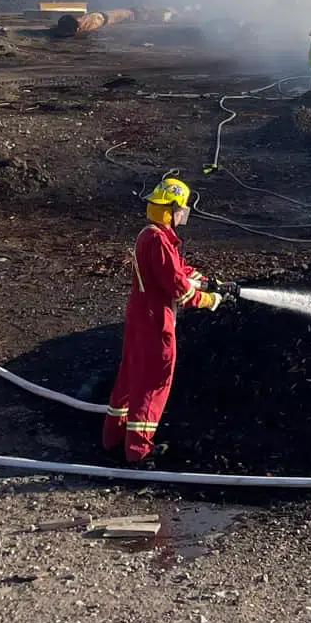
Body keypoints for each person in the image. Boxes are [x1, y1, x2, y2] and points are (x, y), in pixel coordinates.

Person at [102, 176, 230, 466]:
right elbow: (178, 287)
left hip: (139, 317)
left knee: (130, 376)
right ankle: (138, 451)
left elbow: (179, 269)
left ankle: (113, 438)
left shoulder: (150, 234)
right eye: (181, 209)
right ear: (171, 209)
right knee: (154, 381)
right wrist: (209, 300)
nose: (184, 214)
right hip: (155, 321)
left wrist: (210, 282)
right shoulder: (159, 241)